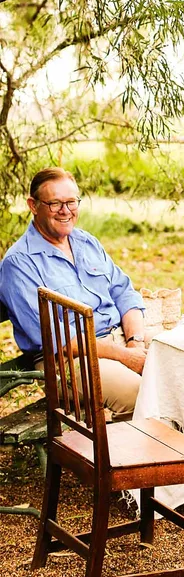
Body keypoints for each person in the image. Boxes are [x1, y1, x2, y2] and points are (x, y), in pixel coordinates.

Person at [0, 167, 147, 417]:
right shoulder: (19, 263)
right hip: (68, 360)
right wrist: (124, 355)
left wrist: (135, 342)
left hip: (121, 338)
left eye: (71, 202)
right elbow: (56, 338)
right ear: (33, 205)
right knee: (142, 394)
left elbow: (124, 293)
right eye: (55, 203)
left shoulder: (86, 242)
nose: (65, 211)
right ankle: (136, 442)